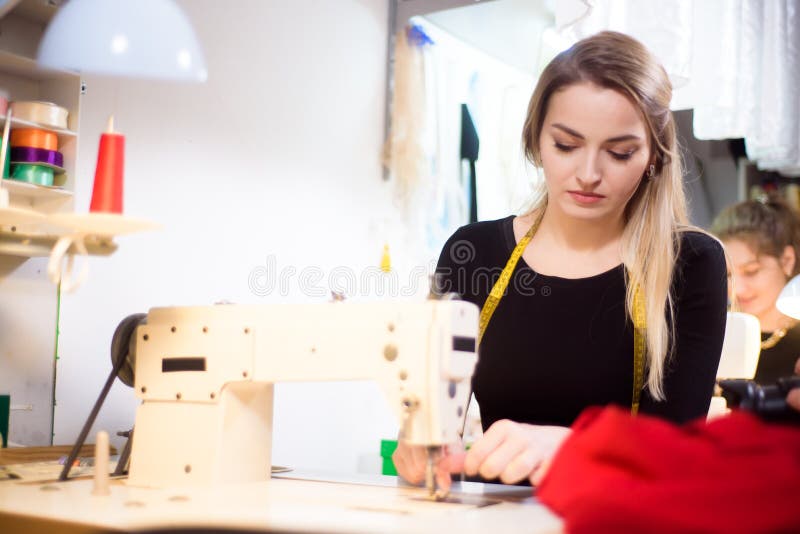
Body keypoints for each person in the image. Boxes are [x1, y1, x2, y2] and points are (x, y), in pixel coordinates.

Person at [393, 31, 728, 490]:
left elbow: (676, 451)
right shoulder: (474, 253)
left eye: (619, 152)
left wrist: (574, 447)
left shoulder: (691, 264)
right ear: (536, 140)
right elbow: (427, 407)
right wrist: (418, 440)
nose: (588, 174)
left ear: (653, 157)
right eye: (567, 145)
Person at [710, 197, 800, 383]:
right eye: (727, 275)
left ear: (787, 261)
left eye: (751, 272)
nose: (737, 289)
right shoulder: (713, 333)